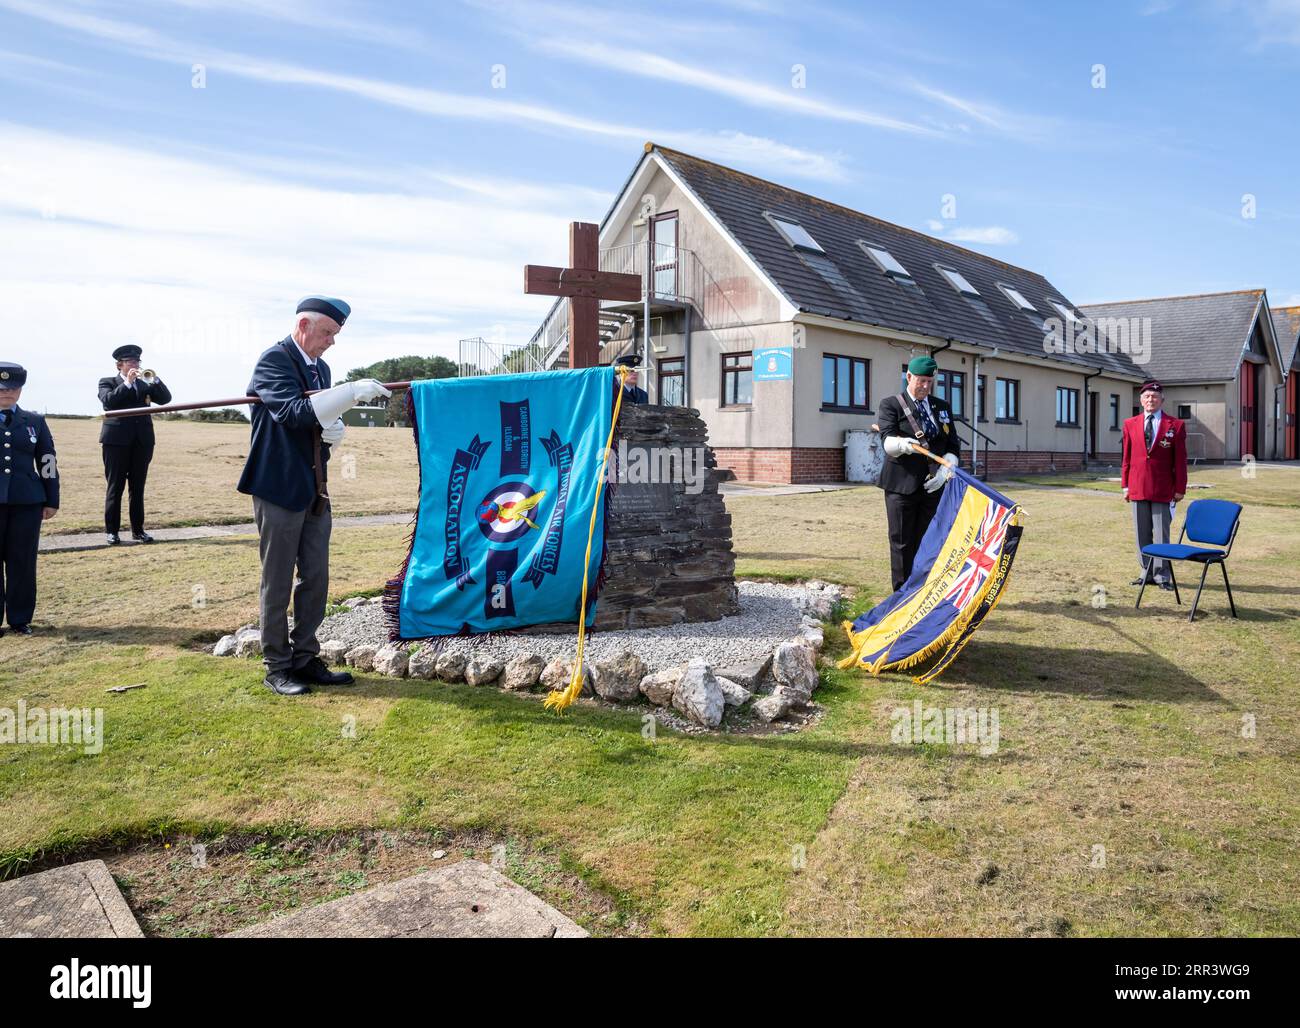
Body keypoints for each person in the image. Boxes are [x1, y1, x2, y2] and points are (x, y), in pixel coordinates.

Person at [237, 297, 391, 695]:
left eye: (335, 336)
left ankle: (305, 656)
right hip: (277, 484)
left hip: (314, 485)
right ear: (304, 325)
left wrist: (331, 437)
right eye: (327, 333)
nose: (331, 343)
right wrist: (349, 393)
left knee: (316, 576)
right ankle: (277, 664)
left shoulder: (319, 368)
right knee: (277, 579)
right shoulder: (274, 360)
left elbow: (318, 424)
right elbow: (293, 414)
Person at [876, 355, 962, 592]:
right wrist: (903, 444)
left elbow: (952, 445)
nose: (925, 386)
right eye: (921, 381)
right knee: (902, 543)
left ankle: (922, 591)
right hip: (901, 486)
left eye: (929, 381)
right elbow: (887, 441)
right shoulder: (891, 404)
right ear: (909, 377)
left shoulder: (941, 407)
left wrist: (946, 469)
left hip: (932, 486)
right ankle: (901, 595)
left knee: (927, 541)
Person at [0, 363, 59, 636]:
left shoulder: (34, 421)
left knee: (22, 561)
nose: (7, 393)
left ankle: (20, 618)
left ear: (21, 390)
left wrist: (51, 498)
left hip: (27, 502)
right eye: (1, 388)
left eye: (12, 388)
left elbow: (47, 461)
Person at [99, 344, 171, 545]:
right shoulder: (107, 382)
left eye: (137, 361)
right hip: (116, 442)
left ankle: (138, 531)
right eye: (130, 361)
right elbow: (108, 402)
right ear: (119, 365)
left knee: (137, 488)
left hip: (143, 442)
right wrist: (128, 383)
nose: (135, 365)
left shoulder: (145, 384)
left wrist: (154, 380)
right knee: (116, 487)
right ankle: (112, 531)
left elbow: (165, 399)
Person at [1122, 379, 1187, 590]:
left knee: (1161, 533)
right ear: (1141, 400)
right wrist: (1125, 485)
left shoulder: (1175, 426)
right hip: (1137, 485)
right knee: (1141, 533)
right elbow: (1127, 458)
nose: (1151, 400)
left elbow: (1180, 460)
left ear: (1162, 400)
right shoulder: (1130, 424)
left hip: (1162, 487)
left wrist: (1179, 488)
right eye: (1147, 396)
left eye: (1155, 397)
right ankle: (1146, 572)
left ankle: (1162, 576)